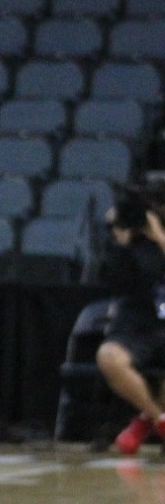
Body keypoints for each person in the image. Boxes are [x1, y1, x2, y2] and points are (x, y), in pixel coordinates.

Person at [99, 184, 165, 455]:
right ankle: (158, 419)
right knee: (108, 356)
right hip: (136, 325)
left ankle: (142, 423)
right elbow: (115, 282)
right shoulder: (131, 244)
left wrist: (160, 237)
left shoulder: (158, 238)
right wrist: (122, 243)